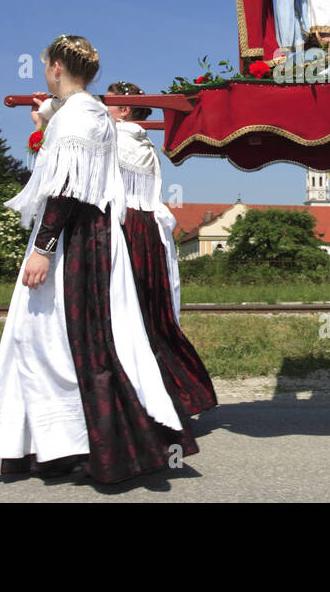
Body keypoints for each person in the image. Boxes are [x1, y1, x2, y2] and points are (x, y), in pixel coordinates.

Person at [0, 34, 197, 483]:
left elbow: (63, 190)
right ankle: (70, 445)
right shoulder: (91, 112)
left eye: (46, 65)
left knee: (50, 342)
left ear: (57, 67)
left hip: (74, 243)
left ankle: (69, 447)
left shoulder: (79, 116)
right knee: (77, 343)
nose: (45, 72)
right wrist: (46, 116)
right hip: (94, 238)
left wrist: (42, 249)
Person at [105, 81, 217, 416]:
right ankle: (169, 394)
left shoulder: (115, 141)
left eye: (108, 105)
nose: (101, 112)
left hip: (126, 231)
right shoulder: (145, 145)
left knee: (122, 318)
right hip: (150, 233)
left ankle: (134, 404)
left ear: (123, 110)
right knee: (152, 318)